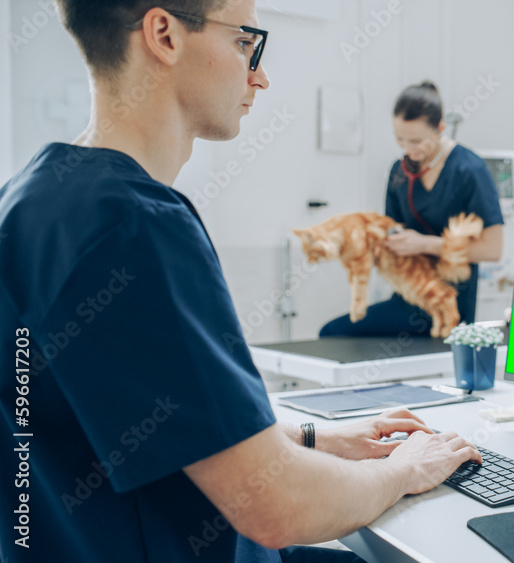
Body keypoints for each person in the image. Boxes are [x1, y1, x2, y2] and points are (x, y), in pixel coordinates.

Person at [0, 2, 480, 562]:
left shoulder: (30, 200)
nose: (260, 74)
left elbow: (151, 421)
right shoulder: (138, 226)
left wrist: (315, 439)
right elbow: (279, 508)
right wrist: (405, 469)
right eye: (244, 42)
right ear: (164, 35)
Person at [319, 82, 504, 337]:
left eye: (416, 141)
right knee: (332, 334)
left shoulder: (469, 170)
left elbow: (492, 250)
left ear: (440, 128)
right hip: (408, 298)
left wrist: (425, 244)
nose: (408, 149)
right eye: (400, 140)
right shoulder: (399, 173)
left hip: (450, 305)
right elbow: (390, 234)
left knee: (335, 335)